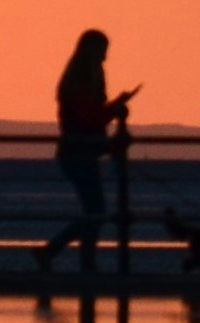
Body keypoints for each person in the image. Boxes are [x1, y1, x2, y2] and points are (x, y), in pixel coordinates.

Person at [39, 27, 131, 295]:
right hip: (78, 153)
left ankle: (71, 257)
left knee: (95, 210)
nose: (106, 57)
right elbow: (88, 119)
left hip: (84, 152)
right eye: (103, 50)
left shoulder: (84, 78)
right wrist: (113, 110)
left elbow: (90, 117)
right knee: (96, 211)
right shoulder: (80, 81)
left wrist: (111, 109)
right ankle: (60, 253)